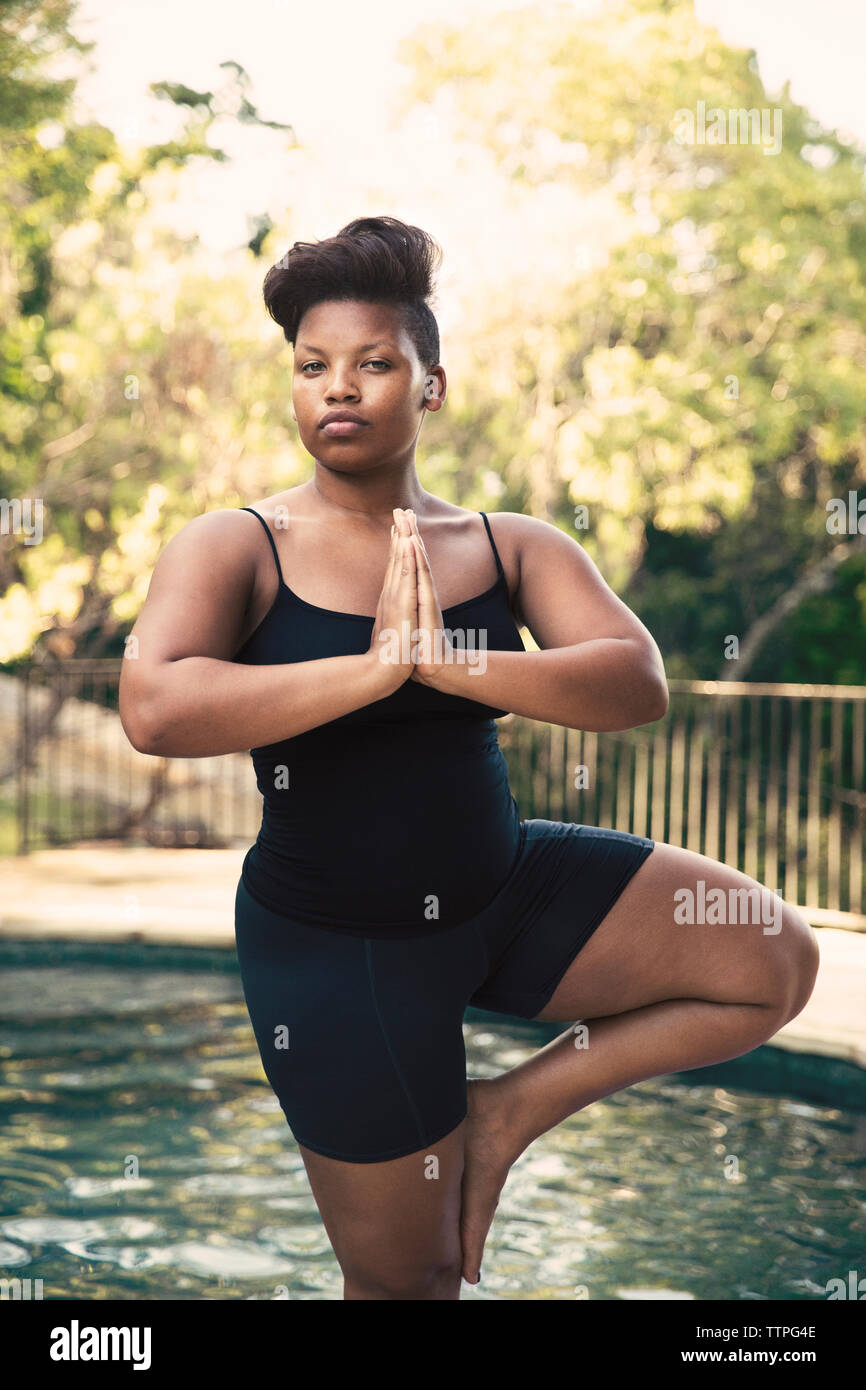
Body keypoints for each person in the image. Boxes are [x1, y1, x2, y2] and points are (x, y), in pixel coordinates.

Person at [118, 215, 819, 1301]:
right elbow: (156, 706)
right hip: (337, 950)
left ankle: (507, 1110)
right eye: (311, 367)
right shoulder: (237, 544)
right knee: (416, 1280)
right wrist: (368, 669)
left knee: (767, 960)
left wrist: (450, 665)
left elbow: (633, 683)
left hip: (502, 888)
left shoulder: (508, 544)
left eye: (371, 364)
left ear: (429, 385)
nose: (335, 389)